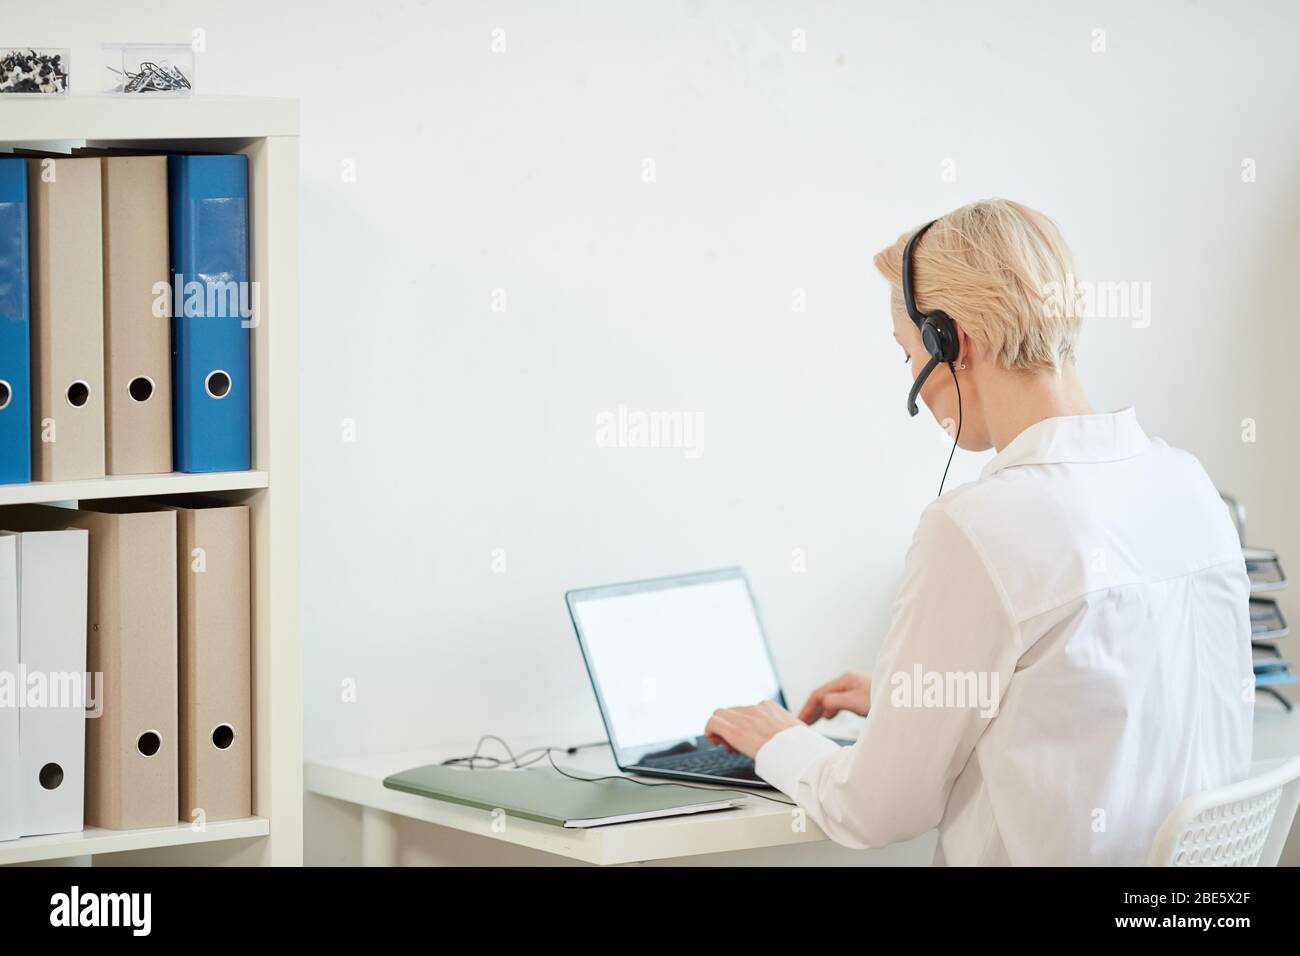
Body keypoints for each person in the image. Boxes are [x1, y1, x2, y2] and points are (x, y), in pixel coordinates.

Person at [703, 199, 1253, 865]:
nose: (911, 380)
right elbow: (1113, 706)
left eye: (908, 352)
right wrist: (928, 704)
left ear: (950, 341)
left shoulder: (979, 525)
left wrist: (776, 741)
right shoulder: (1187, 484)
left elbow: (874, 809)